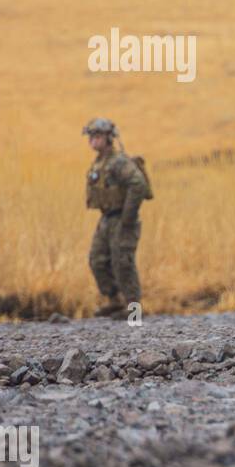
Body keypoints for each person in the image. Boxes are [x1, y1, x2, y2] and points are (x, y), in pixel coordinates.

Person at [82, 118, 149, 319]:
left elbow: (138, 185)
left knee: (123, 262)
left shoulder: (119, 162)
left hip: (121, 218)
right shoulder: (100, 162)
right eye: (91, 136)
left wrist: (128, 216)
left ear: (109, 138)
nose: (93, 140)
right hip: (106, 218)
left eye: (98, 136)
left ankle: (134, 308)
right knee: (97, 260)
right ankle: (115, 300)